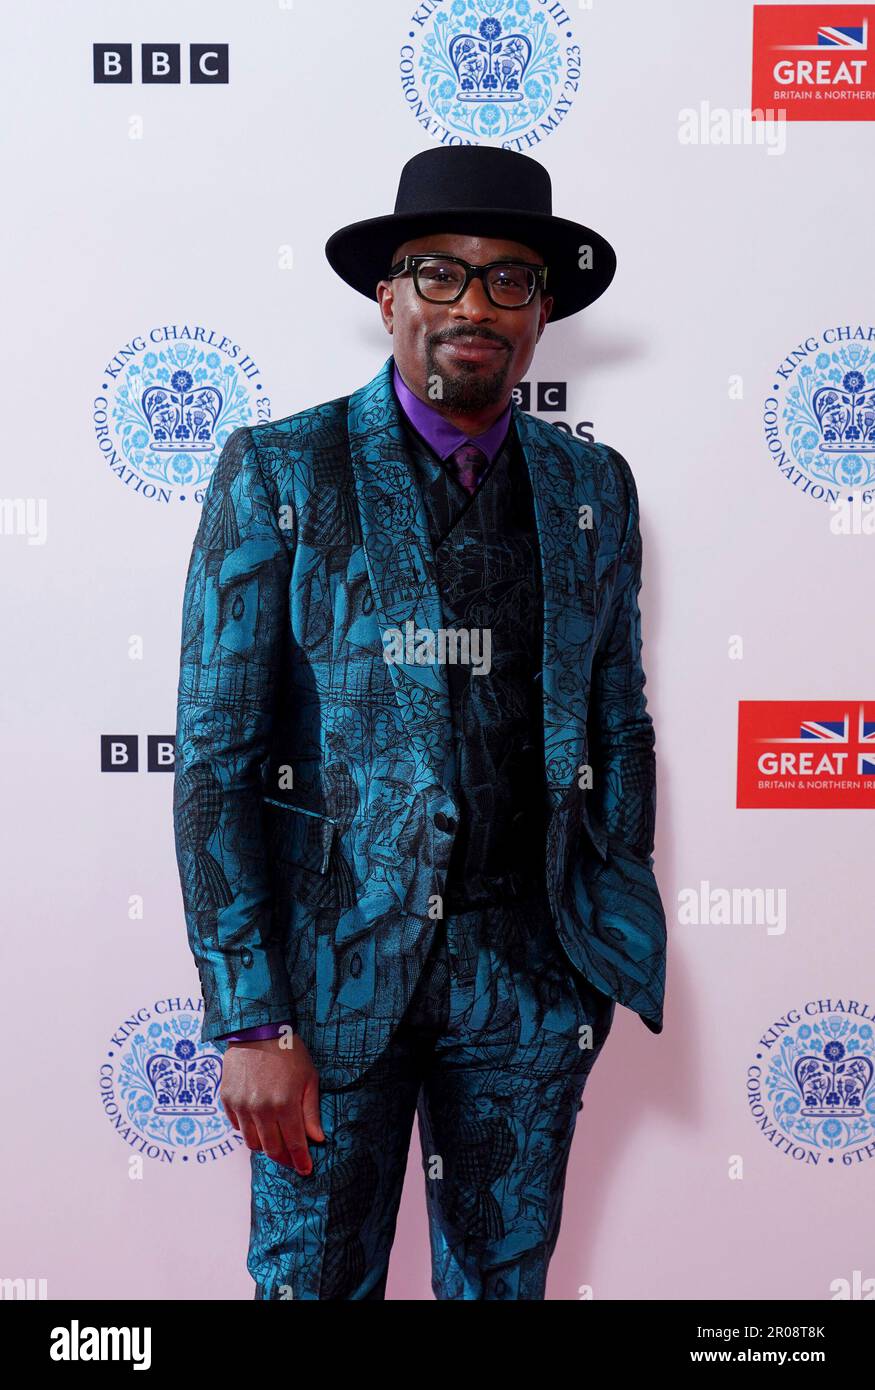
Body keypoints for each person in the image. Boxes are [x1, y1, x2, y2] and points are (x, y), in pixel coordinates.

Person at [172, 145, 667, 1300]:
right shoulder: (280, 469)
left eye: (508, 280)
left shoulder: (593, 489)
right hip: (324, 983)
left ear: (541, 313)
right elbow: (213, 763)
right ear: (386, 294)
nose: (472, 306)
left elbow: (617, 722)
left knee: (503, 1285)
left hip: (528, 979)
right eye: (439, 273)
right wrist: (249, 1018)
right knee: (311, 1283)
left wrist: (594, 939)